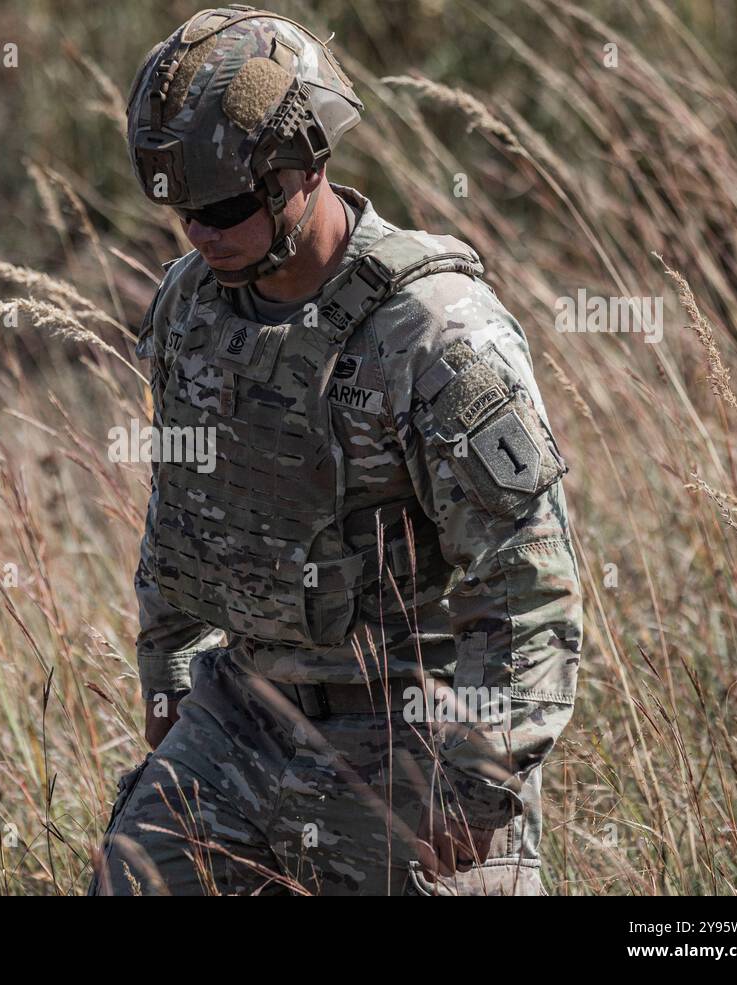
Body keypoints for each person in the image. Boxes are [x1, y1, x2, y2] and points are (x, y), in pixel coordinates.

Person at [89, 4, 582, 896]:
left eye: (228, 205)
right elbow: (184, 507)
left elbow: (527, 576)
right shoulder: (190, 307)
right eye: (183, 209)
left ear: (308, 165)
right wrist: (168, 671)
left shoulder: (435, 335)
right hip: (243, 711)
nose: (201, 232)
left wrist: (480, 782)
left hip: (407, 730)